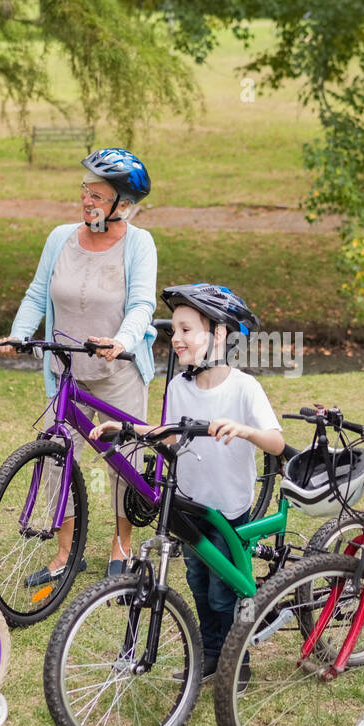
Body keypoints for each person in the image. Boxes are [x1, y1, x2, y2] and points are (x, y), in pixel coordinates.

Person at [91, 284, 284, 682]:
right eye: (174, 330)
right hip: (190, 506)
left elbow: (276, 441)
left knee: (222, 591)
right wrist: (127, 428)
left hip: (228, 510)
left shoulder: (244, 387)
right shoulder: (180, 387)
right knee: (197, 582)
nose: (175, 338)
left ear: (217, 334)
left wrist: (246, 431)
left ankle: (237, 664)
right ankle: (212, 657)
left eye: (185, 329)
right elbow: (171, 433)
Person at [0, 148, 158, 581]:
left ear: (122, 205)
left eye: (98, 194)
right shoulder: (60, 237)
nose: (87, 200)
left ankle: (122, 545)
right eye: (85, 189)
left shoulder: (139, 244)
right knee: (55, 461)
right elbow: (36, 294)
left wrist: (122, 341)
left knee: (122, 461)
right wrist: (19, 333)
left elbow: (143, 303)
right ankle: (66, 552)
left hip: (117, 373)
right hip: (67, 373)